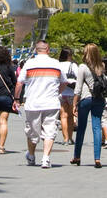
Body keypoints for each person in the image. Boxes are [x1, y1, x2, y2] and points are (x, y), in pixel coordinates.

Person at [13, 39, 68, 168]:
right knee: (50, 130)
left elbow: (19, 83)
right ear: (48, 50)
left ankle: (31, 156)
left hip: (33, 103)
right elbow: (64, 82)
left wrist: (16, 99)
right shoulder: (56, 64)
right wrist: (57, 92)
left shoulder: (29, 64)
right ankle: (46, 158)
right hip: (51, 103)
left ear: (36, 50)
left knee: (32, 132)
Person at [69, 44, 107, 168]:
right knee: (97, 127)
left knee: (81, 128)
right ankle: (97, 158)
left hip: (86, 99)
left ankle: (77, 156)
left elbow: (78, 88)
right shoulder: (101, 66)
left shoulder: (83, 67)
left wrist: (74, 104)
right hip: (99, 99)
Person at [57, 47, 77, 144]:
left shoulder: (57, 65)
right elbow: (78, 77)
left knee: (63, 116)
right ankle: (70, 137)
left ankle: (65, 139)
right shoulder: (73, 65)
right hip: (71, 93)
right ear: (69, 56)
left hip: (61, 92)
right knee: (70, 116)